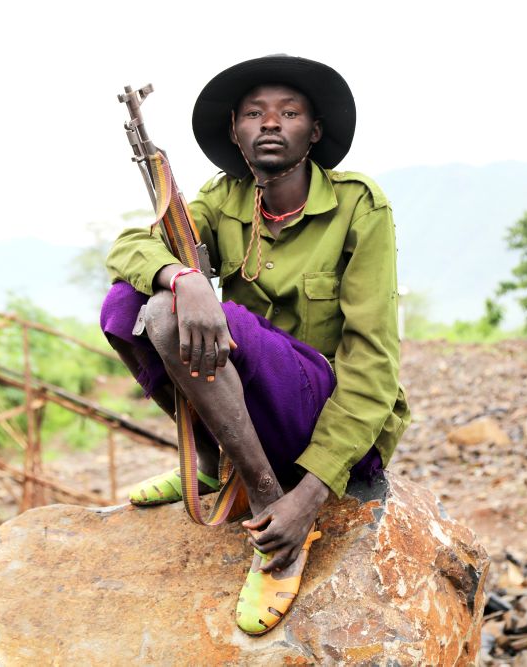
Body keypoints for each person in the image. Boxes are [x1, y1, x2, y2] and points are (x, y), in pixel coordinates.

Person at [100, 54, 410, 634]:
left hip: (320, 411)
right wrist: (185, 277)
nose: (271, 123)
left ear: (312, 132)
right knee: (128, 303)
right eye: (254, 114)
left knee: (186, 320)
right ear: (235, 132)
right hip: (250, 404)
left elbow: (374, 364)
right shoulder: (225, 201)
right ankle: (218, 465)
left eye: (289, 113)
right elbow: (128, 249)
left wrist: (310, 496)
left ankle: (273, 513)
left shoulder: (359, 206)